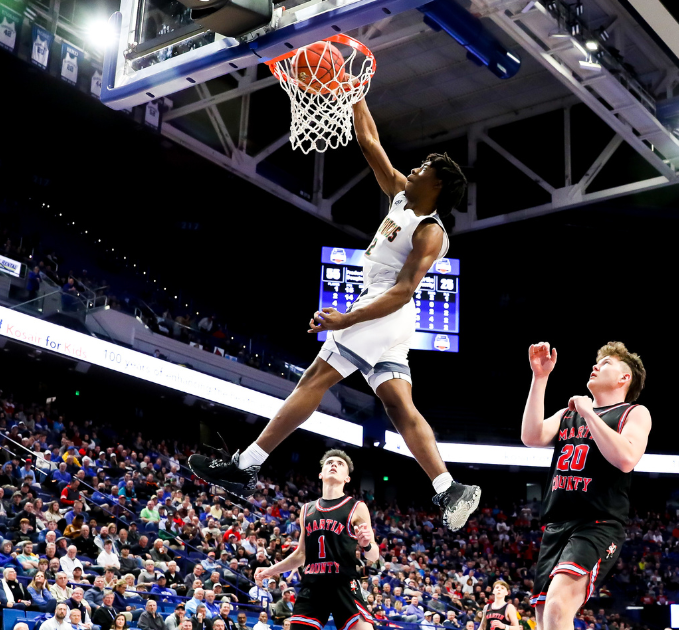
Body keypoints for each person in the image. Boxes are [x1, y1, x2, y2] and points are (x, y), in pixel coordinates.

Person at [187, 123, 480, 530]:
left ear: (438, 186)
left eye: (425, 168)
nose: (414, 169)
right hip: (388, 321)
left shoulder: (430, 231)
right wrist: (354, 84)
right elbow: (369, 142)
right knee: (398, 406)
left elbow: (404, 291)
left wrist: (347, 319)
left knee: (313, 379)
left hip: (382, 311)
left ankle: (245, 466)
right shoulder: (400, 198)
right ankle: (450, 488)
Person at [519, 342, 650, 630]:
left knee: (557, 606)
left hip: (597, 523)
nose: (595, 366)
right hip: (556, 525)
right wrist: (540, 378)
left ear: (623, 378)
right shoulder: (569, 413)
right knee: (543, 618)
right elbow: (531, 436)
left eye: (605, 364)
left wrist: (590, 413)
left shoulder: (634, 412)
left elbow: (627, 458)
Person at [253, 451, 378, 630]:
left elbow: (374, 554)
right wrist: (270, 571)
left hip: (343, 583)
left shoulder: (357, 507)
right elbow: (301, 554)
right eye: (330, 462)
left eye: (340, 464)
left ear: (347, 479)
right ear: (320, 474)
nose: (334, 465)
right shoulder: (307, 509)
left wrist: (366, 545)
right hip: (313, 585)